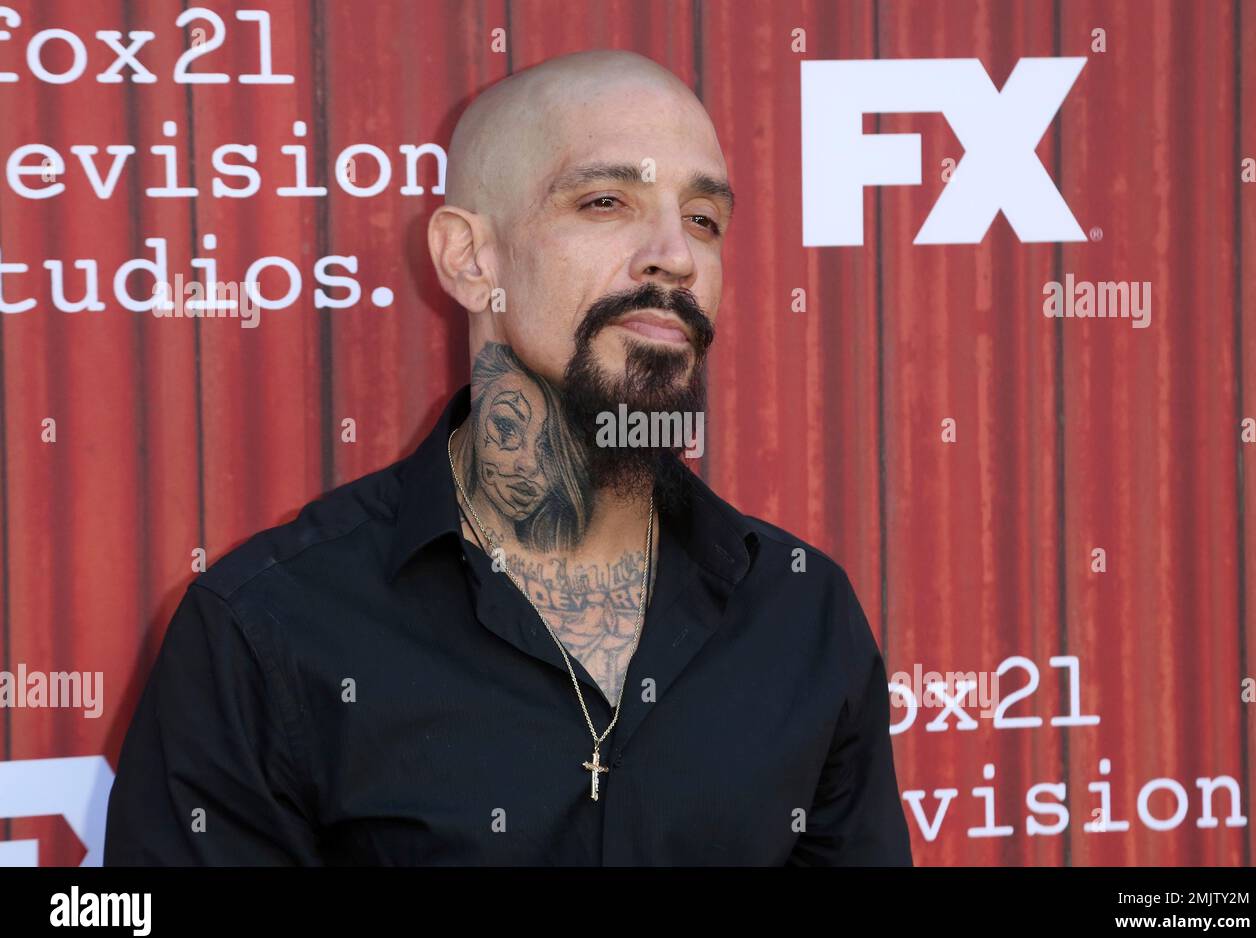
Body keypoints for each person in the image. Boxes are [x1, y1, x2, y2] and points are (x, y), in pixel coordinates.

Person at [104, 48, 912, 866]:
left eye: (703, 218)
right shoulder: (266, 629)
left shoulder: (802, 614)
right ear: (469, 259)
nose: (676, 254)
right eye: (605, 201)